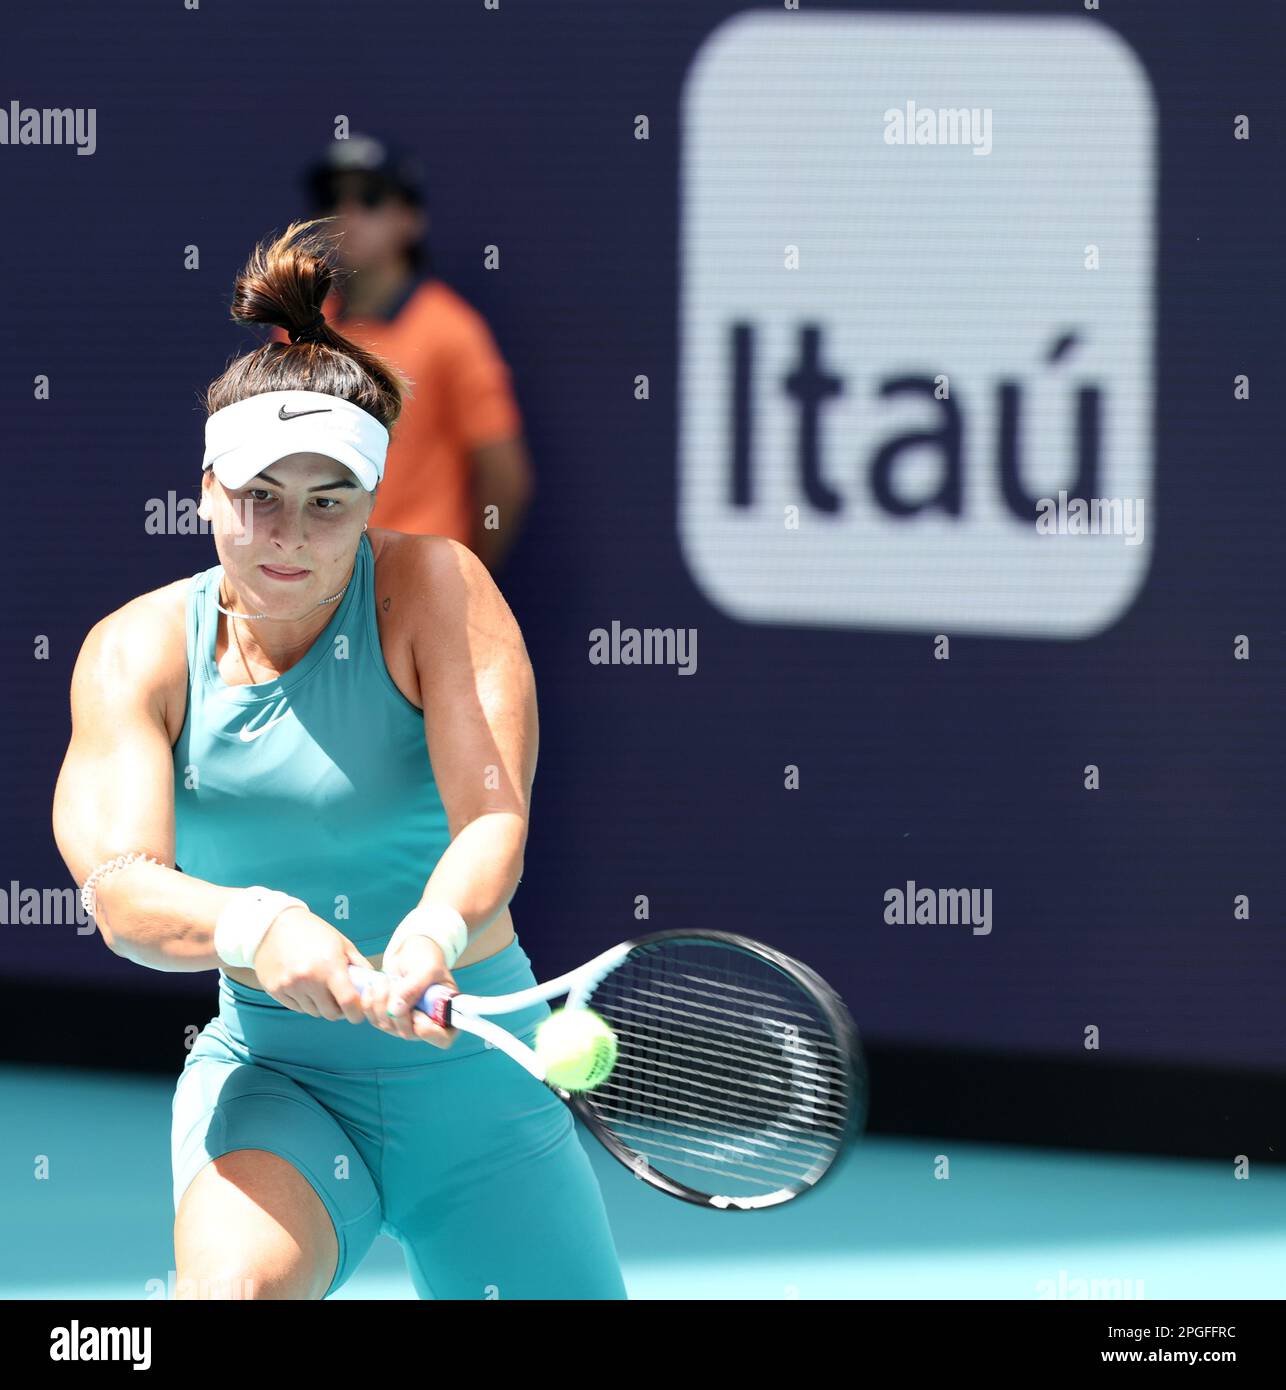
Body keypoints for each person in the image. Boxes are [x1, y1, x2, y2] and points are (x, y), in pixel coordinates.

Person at [51, 220, 627, 1301]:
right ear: (208, 489)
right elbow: (123, 895)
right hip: (276, 1079)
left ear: (371, 504)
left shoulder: (435, 589)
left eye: (330, 504)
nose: (289, 535)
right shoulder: (134, 652)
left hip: (477, 1091)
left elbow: (491, 821)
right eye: (259, 496)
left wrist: (431, 929)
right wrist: (258, 926)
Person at [286, 132, 534, 572]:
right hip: (317, 586)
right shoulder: (299, 322)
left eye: (371, 198)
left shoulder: (451, 331)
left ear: (410, 219)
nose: (348, 214)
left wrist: (456, 585)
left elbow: (506, 479)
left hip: (410, 586)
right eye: (331, 199)